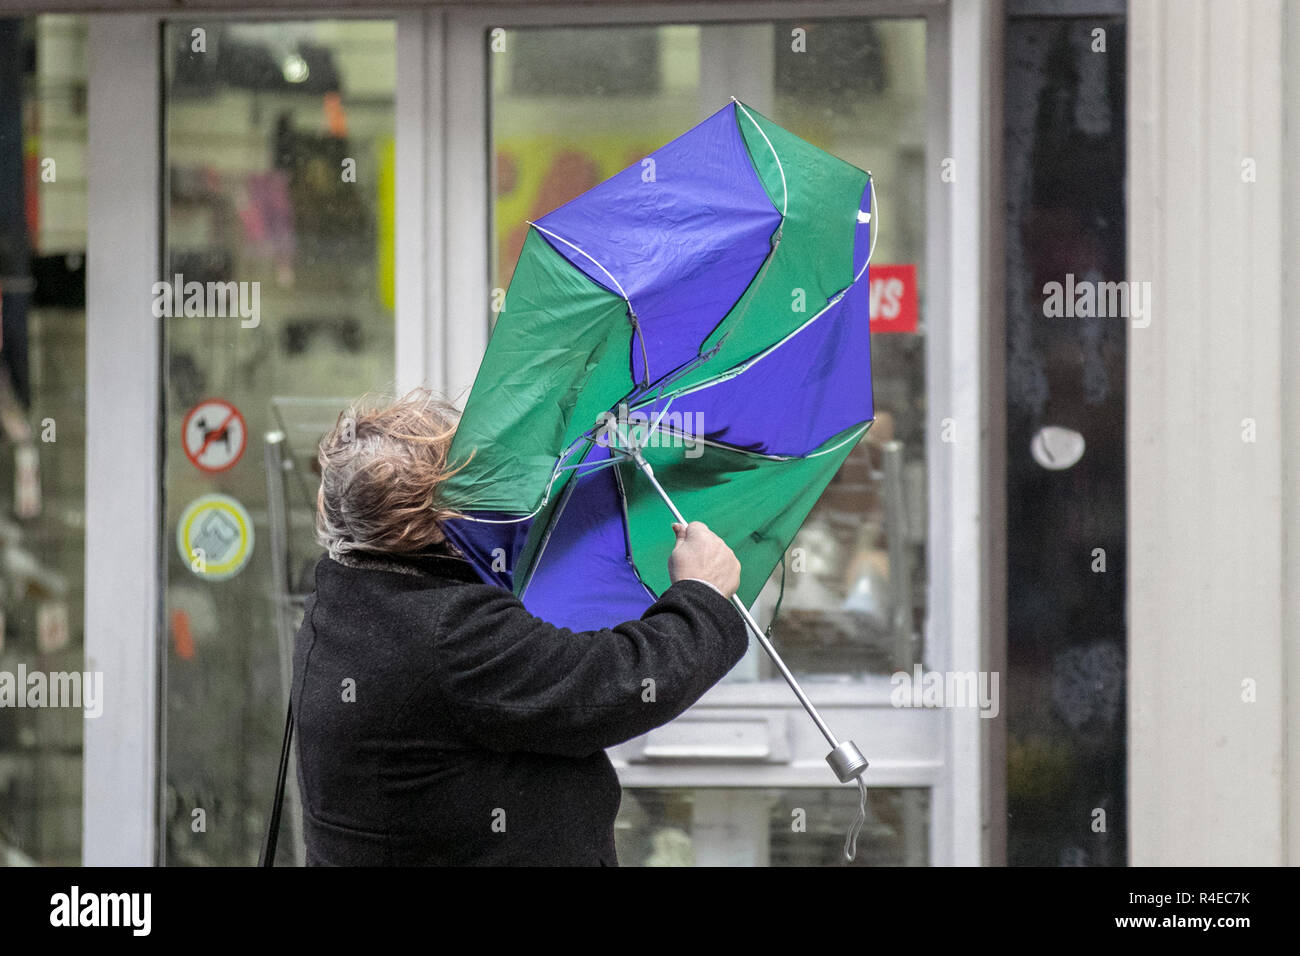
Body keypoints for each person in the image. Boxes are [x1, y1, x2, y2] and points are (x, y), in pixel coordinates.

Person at [293, 388, 747, 865]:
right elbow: (617, 683)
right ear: (437, 515)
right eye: (480, 485)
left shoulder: (347, 596)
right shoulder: (451, 632)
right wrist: (702, 594)